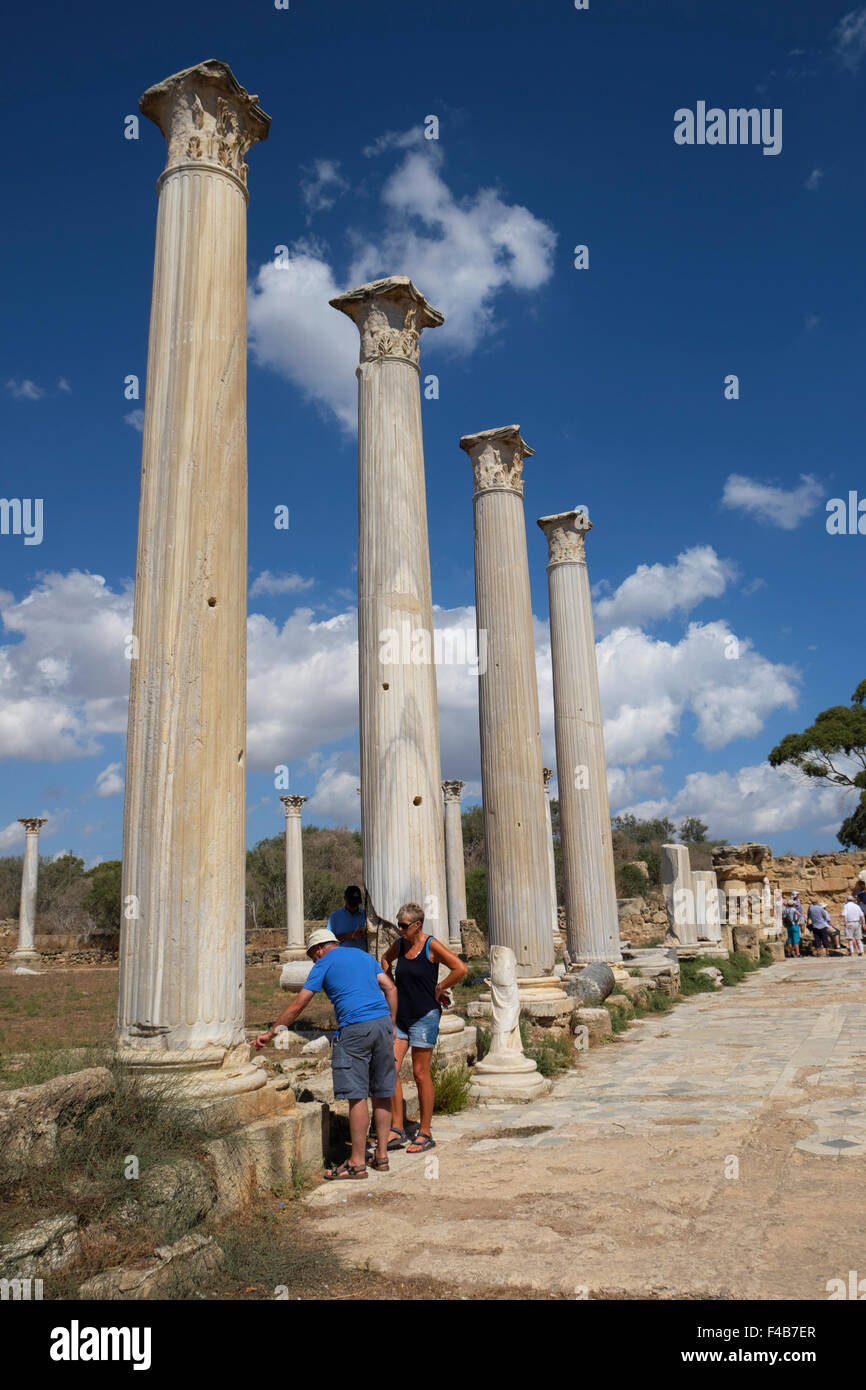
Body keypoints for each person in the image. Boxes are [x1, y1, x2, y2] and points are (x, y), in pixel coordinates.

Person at [255, 928, 397, 1180]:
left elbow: (299, 1004)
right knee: (383, 1092)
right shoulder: (364, 956)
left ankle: (356, 1162)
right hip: (383, 1024)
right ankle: (382, 1156)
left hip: (355, 1028)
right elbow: (390, 988)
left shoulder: (324, 962)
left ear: (318, 950)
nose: (314, 961)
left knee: (357, 1096)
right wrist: (392, 1025)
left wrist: (272, 1033)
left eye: (312, 957)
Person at [380, 901, 467, 1154]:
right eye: (398, 924)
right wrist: (388, 986)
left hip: (424, 1016)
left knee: (420, 1073)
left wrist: (441, 987)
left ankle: (425, 1132)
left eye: (404, 925)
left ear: (417, 925)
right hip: (401, 1017)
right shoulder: (399, 945)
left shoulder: (431, 945)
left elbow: (460, 968)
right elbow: (384, 960)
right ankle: (396, 1127)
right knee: (389, 1070)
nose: (399, 929)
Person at [328, 885, 368, 951]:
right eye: (351, 904)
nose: (354, 907)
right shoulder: (335, 917)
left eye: (356, 904)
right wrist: (348, 936)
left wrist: (366, 936)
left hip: (362, 957)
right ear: (345, 899)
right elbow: (328, 941)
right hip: (342, 957)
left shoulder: (366, 916)